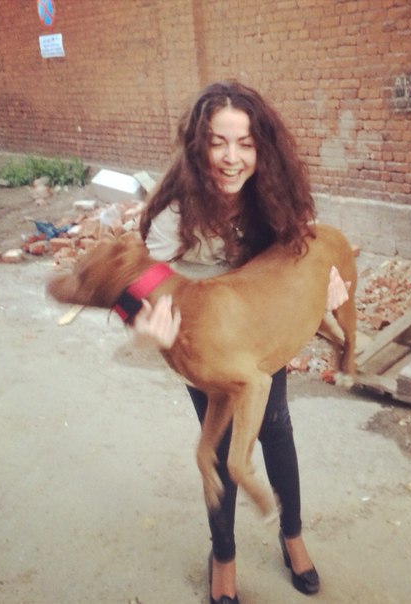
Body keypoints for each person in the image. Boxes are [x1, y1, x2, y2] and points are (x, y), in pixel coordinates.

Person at [131, 80, 320, 603]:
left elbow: (301, 252)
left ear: (262, 149)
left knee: (276, 429)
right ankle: (224, 555)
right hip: (203, 344)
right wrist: (141, 318)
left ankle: (292, 535)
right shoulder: (174, 212)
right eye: (218, 143)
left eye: (245, 144)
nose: (232, 158)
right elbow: (137, 279)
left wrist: (326, 283)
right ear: (199, 146)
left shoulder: (274, 194)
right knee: (217, 447)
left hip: (259, 334)